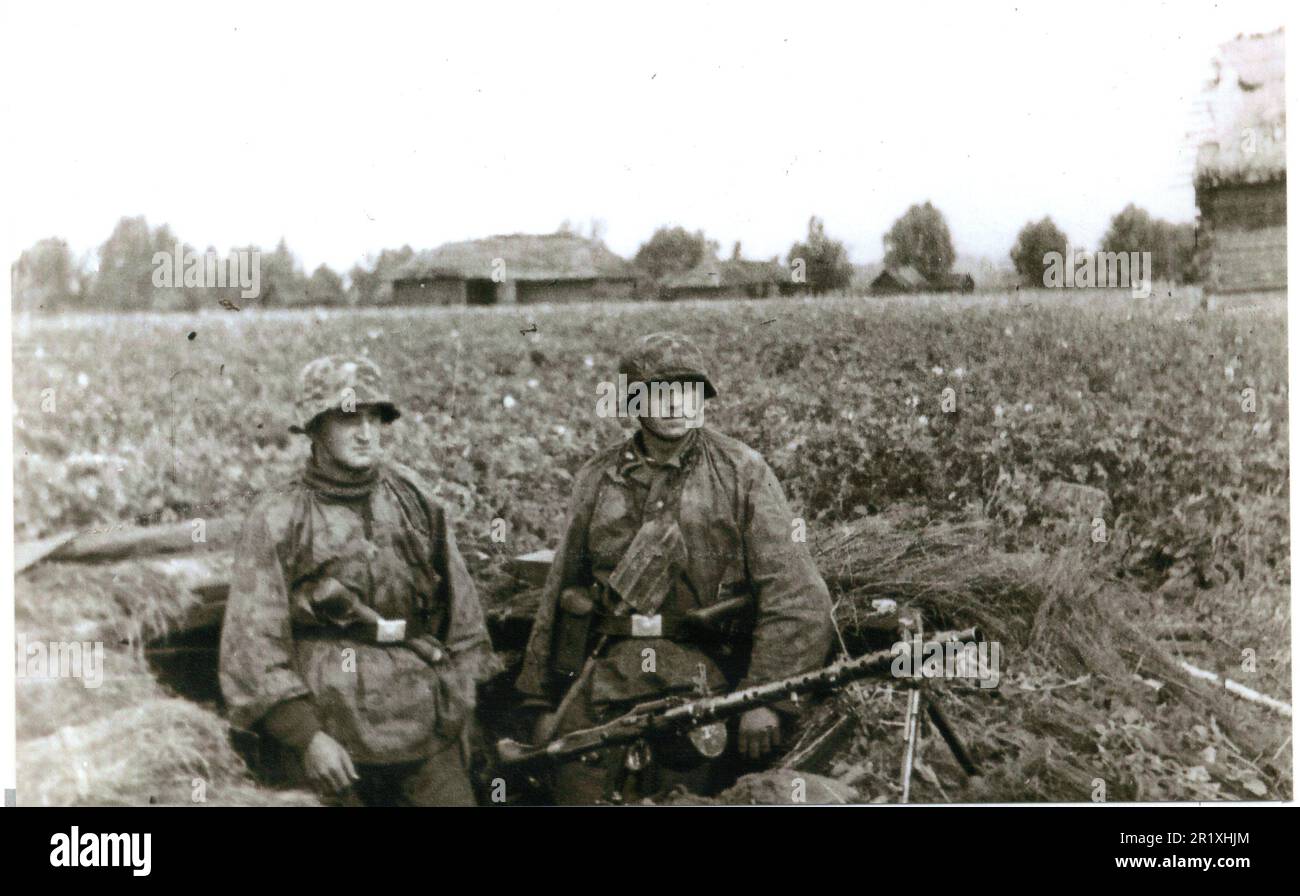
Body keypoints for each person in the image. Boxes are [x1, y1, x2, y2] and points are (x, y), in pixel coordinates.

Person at [516, 332, 834, 803]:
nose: (676, 405)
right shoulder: (596, 478)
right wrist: (542, 701)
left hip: (699, 686)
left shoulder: (742, 471)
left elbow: (797, 594)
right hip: (606, 679)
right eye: (660, 392)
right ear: (633, 401)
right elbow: (561, 590)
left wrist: (766, 698)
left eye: (688, 391)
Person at [219, 355, 497, 806]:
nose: (366, 432)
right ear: (315, 427)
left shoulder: (413, 499)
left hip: (424, 726)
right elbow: (253, 643)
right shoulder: (280, 516)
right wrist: (307, 737)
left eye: (374, 417)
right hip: (333, 735)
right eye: (349, 418)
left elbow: (463, 617)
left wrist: (456, 704)